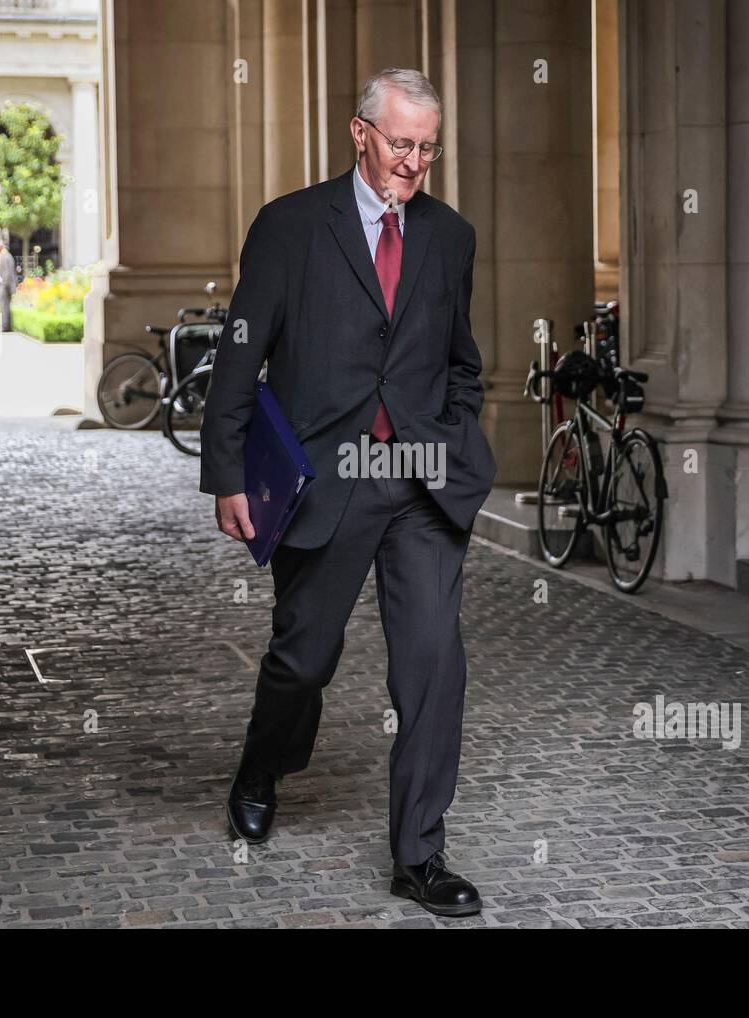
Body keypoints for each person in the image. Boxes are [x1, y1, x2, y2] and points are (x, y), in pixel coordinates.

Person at [200, 68, 497, 917]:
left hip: (419, 485)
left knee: (435, 664)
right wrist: (227, 474)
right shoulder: (290, 227)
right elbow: (240, 354)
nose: (414, 162)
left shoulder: (451, 236)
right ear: (360, 133)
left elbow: (461, 362)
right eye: (401, 142)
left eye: (428, 147)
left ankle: (420, 856)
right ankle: (264, 765)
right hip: (326, 482)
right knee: (303, 659)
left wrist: (455, 433)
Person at [0, 242, 17, 332]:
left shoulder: (6, 256)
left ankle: (6, 327)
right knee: (3, 306)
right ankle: (6, 326)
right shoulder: (3, 256)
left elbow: (7, 273)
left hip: (5, 286)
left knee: (5, 307)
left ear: (0, 247)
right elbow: (2, 270)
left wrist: (4, 285)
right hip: (3, 285)